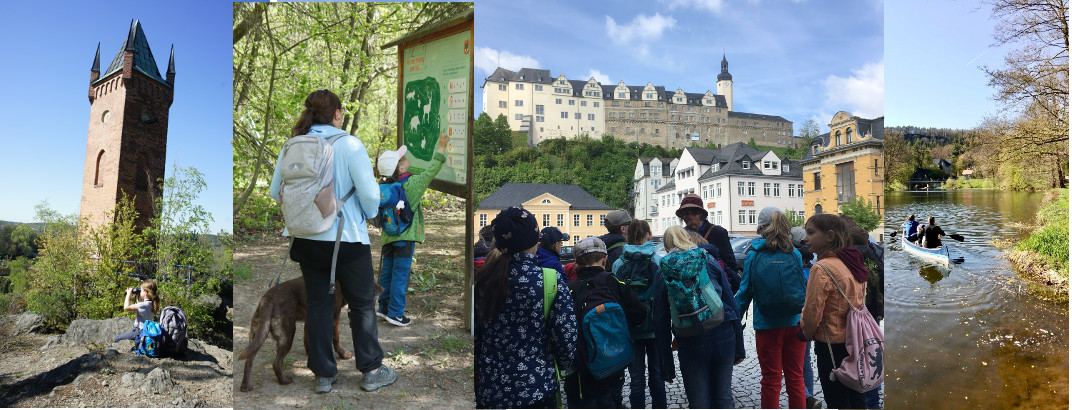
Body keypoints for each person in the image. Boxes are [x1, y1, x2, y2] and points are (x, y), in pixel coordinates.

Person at [269, 89, 396, 394]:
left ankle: (324, 375)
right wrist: (367, 214)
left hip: (307, 239)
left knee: (318, 304)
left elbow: (276, 193)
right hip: (348, 238)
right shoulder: (350, 145)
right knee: (363, 304)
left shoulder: (291, 146)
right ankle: (371, 371)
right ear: (338, 114)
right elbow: (369, 195)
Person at [474, 207, 577, 409]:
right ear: (534, 240)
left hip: (491, 388)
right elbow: (566, 339)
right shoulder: (549, 280)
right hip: (537, 387)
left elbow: (477, 336)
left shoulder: (482, 280)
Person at [659, 225, 743, 409]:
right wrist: (739, 346)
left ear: (666, 248)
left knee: (699, 402)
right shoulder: (708, 259)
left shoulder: (663, 270)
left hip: (689, 338)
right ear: (689, 240)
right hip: (722, 331)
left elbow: (661, 319)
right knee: (723, 398)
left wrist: (666, 364)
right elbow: (730, 300)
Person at [736, 208, 806, 409]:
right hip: (795, 323)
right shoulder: (794, 253)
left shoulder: (754, 254)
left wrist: (734, 321)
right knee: (796, 378)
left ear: (762, 228)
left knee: (771, 380)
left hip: (767, 325)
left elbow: (744, 292)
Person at [564, 236, 646, 409]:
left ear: (576, 262)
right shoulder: (614, 282)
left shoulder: (570, 288)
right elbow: (639, 312)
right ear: (605, 259)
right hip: (613, 363)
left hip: (581, 370)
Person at [375, 138, 448, 327]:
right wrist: (441, 147)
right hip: (405, 238)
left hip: (388, 238)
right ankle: (396, 313)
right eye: (404, 159)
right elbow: (431, 171)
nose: (408, 159)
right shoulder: (411, 185)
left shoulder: (382, 186)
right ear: (400, 169)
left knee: (387, 273)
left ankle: (383, 308)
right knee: (400, 275)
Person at [799, 214, 868, 408]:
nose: (805, 238)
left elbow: (812, 313)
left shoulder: (822, 268)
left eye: (811, 233)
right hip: (856, 340)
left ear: (829, 236)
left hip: (832, 345)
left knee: (837, 400)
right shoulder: (853, 262)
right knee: (857, 397)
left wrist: (805, 332)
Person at [611, 220, 667, 409]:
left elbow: (616, 297)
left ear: (627, 236)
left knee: (636, 379)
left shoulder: (619, 263)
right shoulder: (658, 261)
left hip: (631, 328)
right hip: (656, 327)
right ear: (649, 236)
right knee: (657, 376)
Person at [791, 225, 822, 409]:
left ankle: (805, 396)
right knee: (805, 360)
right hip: (808, 319)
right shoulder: (812, 265)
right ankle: (807, 397)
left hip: (793, 318)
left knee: (794, 363)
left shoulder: (791, 262)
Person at [675, 193, 738, 276]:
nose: (684, 217)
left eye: (687, 213)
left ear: (699, 213)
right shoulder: (681, 234)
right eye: (682, 214)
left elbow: (731, 265)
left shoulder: (718, 232)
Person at [113, 280, 160, 347]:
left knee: (117, 339)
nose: (140, 292)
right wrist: (139, 297)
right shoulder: (151, 304)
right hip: (144, 330)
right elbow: (140, 306)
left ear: (146, 292)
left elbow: (126, 307)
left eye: (141, 290)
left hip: (138, 331)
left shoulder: (144, 305)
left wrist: (128, 295)